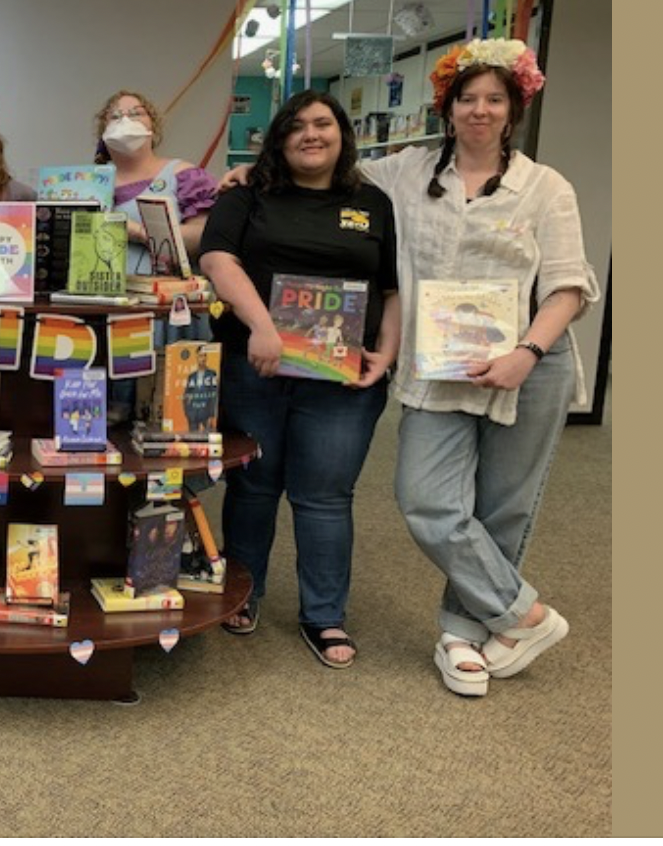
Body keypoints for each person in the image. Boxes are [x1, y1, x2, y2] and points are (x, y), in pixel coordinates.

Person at [361, 39, 598, 696]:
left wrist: (527, 353)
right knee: (426, 499)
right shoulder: (406, 172)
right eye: (468, 98)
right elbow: (324, 165)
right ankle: (525, 616)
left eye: (495, 99)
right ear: (448, 107)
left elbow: (568, 288)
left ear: (513, 109)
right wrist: (248, 175)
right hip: (439, 366)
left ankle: (462, 635)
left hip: (529, 364)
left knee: (502, 507)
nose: (480, 110)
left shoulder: (545, 188)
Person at [199, 89, 400, 670]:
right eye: (297, 126)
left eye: (323, 123)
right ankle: (244, 592)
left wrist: (387, 353)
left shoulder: (372, 203)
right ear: (279, 139)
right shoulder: (246, 194)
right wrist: (263, 327)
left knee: (325, 494)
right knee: (254, 485)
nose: (310, 134)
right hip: (255, 364)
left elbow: (391, 287)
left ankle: (324, 614)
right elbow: (217, 260)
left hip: (341, 377)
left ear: (342, 134)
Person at [93, 89, 219, 276]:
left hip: (165, 291)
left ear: (153, 128)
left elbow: (204, 237)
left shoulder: (185, 177)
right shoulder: (88, 183)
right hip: (99, 290)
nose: (125, 121)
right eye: (115, 116)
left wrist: (140, 232)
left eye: (136, 113)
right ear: (103, 133)